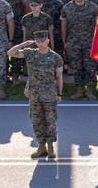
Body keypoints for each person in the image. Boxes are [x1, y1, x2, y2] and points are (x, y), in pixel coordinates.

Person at [9, 32, 63, 160]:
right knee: (36, 120)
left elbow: (59, 77)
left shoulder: (56, 57)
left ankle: (50, 147)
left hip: (49, 94)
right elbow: (10, 53)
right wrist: (23, 44)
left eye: (42, 41)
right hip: (34, 94)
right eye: (38, 41)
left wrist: (60, 93)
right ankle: (41, 146)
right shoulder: (30, 53)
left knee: (50, 121)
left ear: (48, 41)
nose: (40, 43)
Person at [60, 0, 98, 100]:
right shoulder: (67, 8)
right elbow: (64, 26)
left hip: (90, 42)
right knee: (76, 66)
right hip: (73, 42)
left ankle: (90, 90)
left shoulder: (93, 7)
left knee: (90, 66)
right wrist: (64, 41)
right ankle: (79, 90)